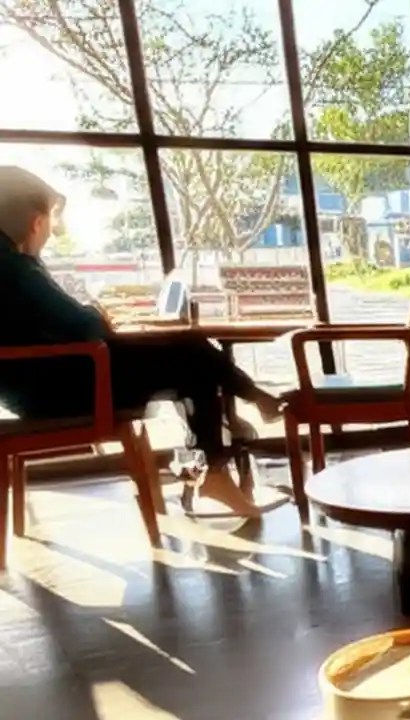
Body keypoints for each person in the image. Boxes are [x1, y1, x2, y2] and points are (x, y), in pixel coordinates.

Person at [0, 165, 281, 517]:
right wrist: (94, 313)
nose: (50, 236)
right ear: (36, 222)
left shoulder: (11, 263)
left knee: (188, 357)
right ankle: (231, 438)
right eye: (50, 225)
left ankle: (225, 451)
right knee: (190, 353)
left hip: (30, 387)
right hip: (57, 390)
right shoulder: (14, 267)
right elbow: (86, 326)